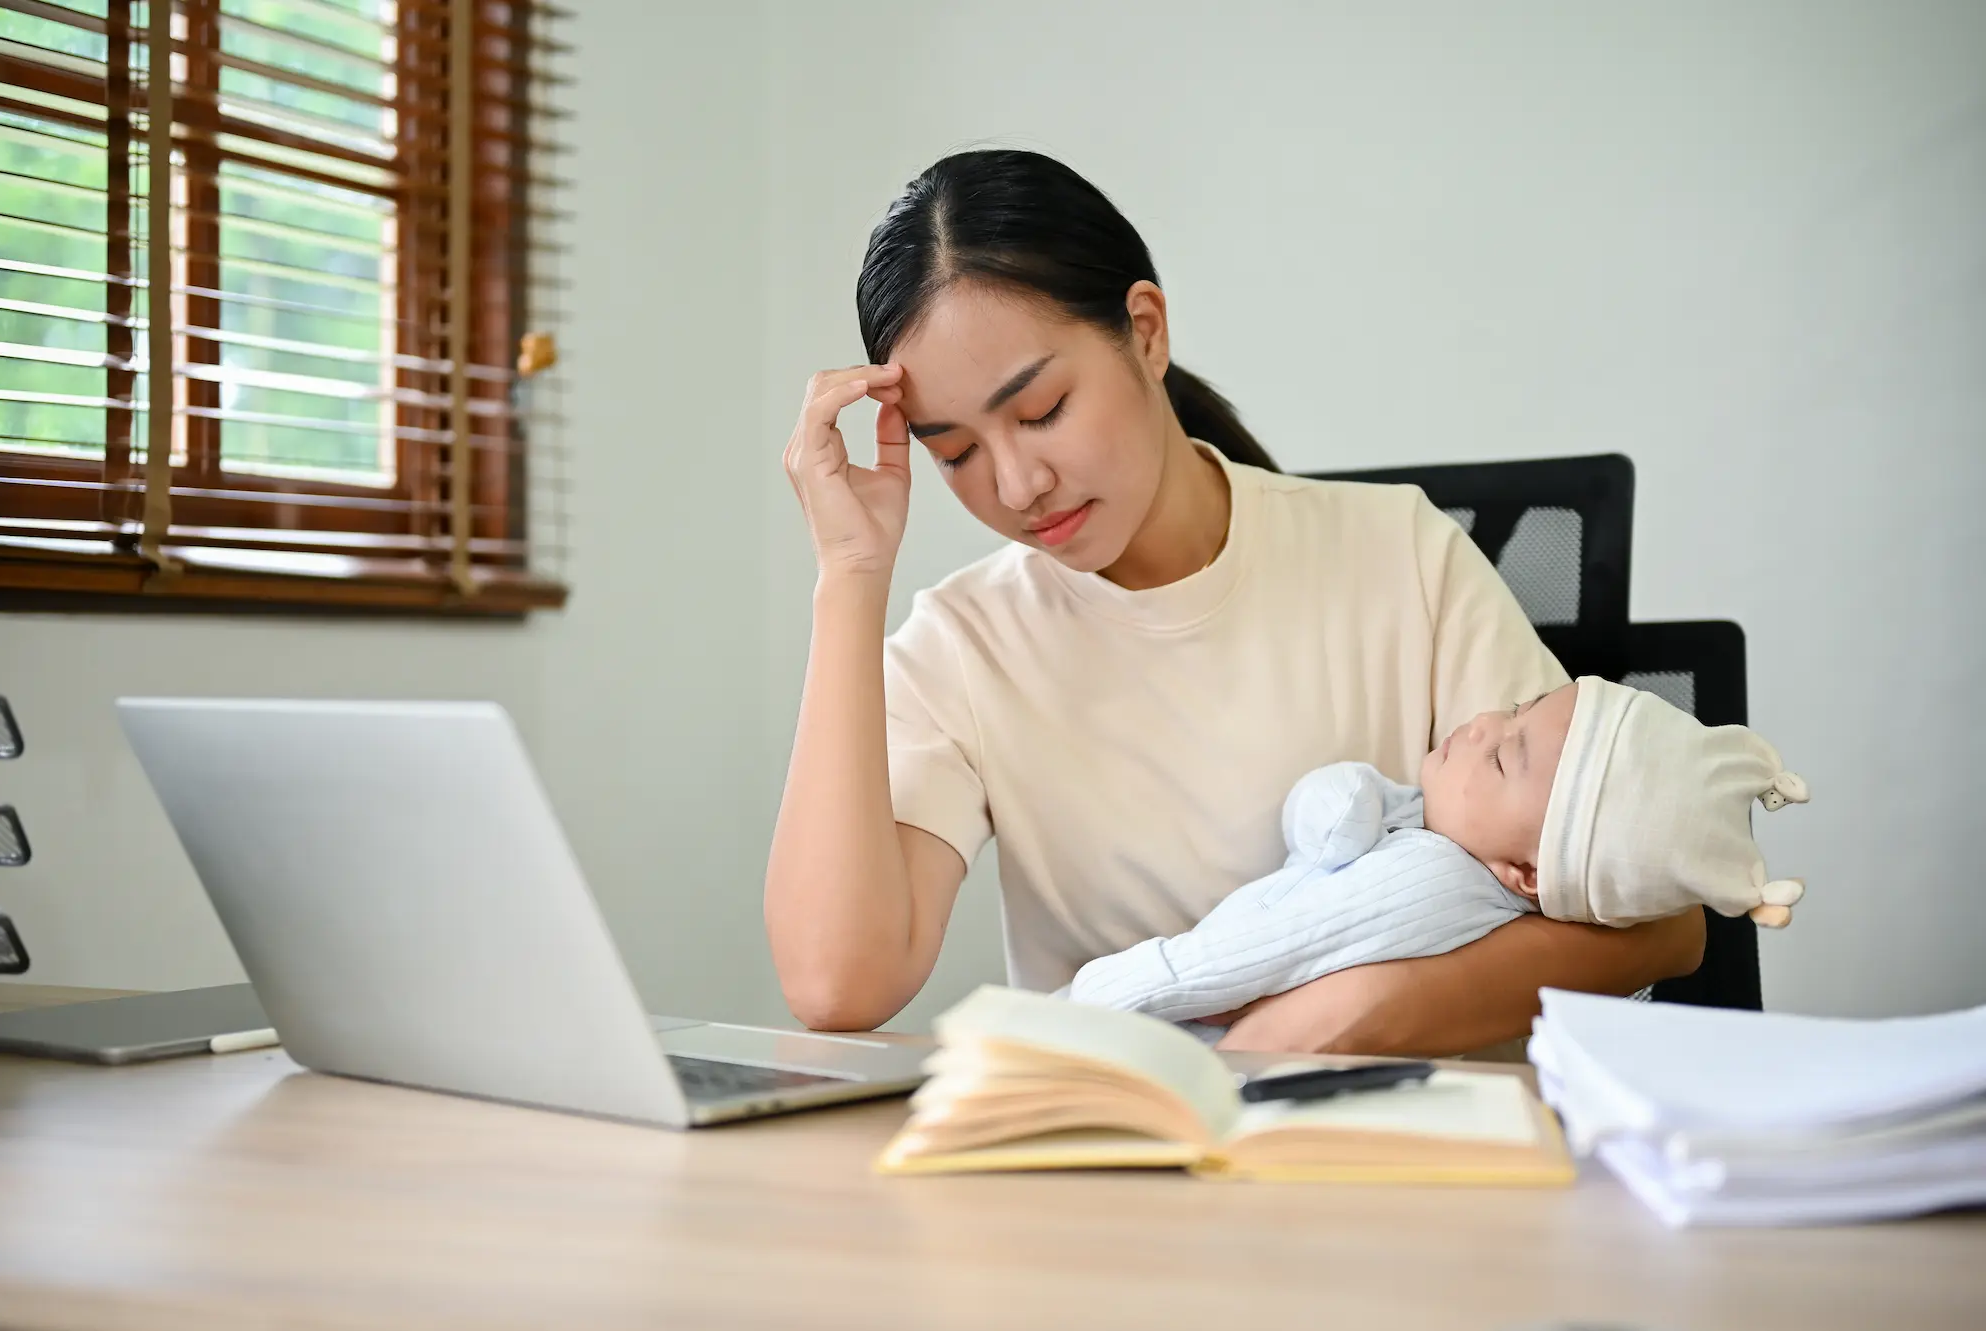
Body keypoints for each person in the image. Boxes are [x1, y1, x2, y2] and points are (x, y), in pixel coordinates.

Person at [766, 148, 1706, 1055]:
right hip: (1127, 1178)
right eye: (956, 453)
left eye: (1041, 409)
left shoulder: (1398, 554)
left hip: (1411, 1163)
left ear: (1145, 330)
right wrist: (850, 578)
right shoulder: (966, 647)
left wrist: (1347, 1015)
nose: (1015, 485)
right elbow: (837, 983)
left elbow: (1664, 928)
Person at [1063, 678, 1810, 1028]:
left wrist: (1084, 1004)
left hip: (1168, 1036)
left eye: (1502, 757)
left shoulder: (1427, 883)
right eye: (1516, 709)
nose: (1483, 722)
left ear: (1529, 874)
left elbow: (1245, 955)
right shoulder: (1441, 839)